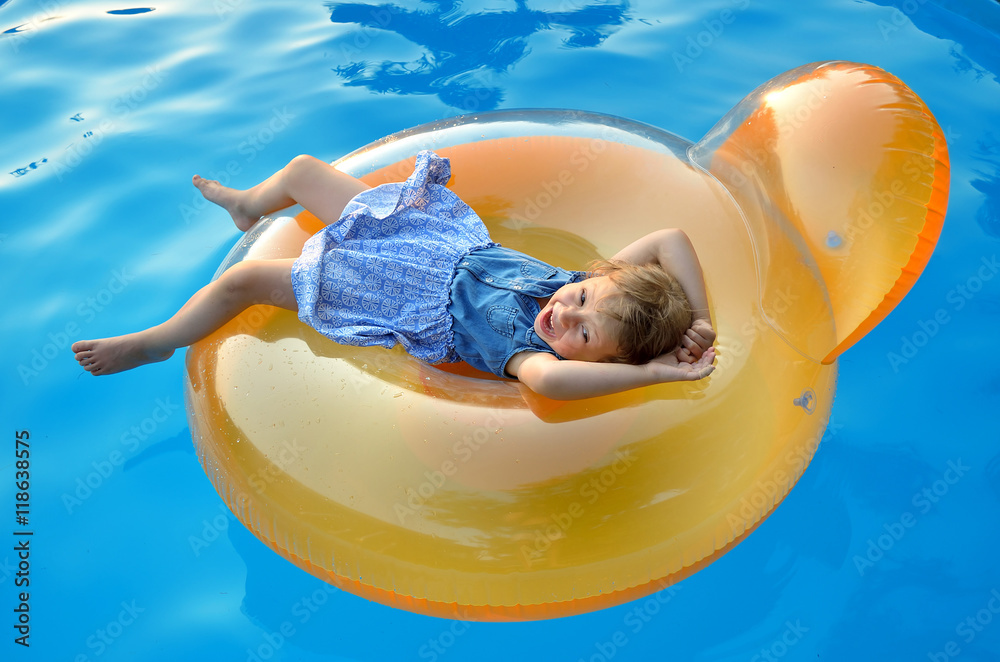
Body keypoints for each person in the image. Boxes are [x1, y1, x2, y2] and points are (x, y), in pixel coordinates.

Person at [71, 151, 716, 400]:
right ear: (593, 276)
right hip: (426, 237)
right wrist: (699, 317)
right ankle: (247, 204)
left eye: (579, 333)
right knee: (300, 171)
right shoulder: (580, 285)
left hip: (390, 291)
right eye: (579, 298)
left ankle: (158, 339)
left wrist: (653, 372)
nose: (563, 314)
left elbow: (549, 384)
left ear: (599, 362)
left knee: (241, 283)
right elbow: (670, 238)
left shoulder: (525, 355)